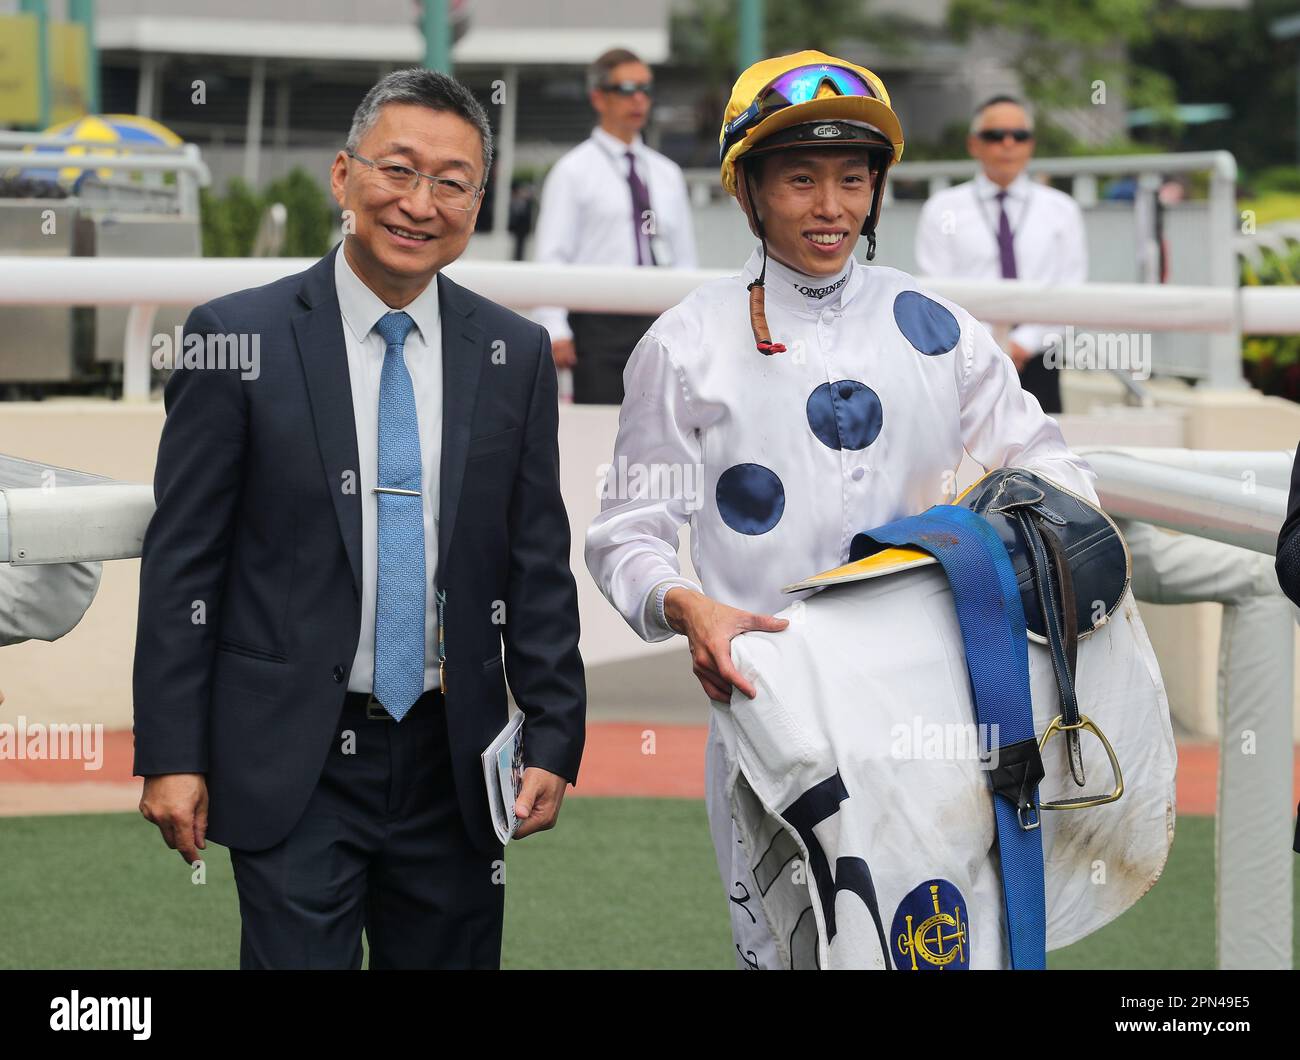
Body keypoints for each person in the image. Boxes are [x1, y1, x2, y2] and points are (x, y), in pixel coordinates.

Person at [585, 50, 1100, 968]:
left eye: (853, 179)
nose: (831, 206)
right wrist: (684, 606)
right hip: (772, 710)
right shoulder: (683, 345)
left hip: (936, 708)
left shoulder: (939, 326)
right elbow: (629, 532)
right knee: (791, 954)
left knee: (945, 949)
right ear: (746, 189)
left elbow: (1048, 466)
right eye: (800, 179)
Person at [132, 68, 586, 970]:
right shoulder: (236, 339)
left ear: (478, 202)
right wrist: (172, 752)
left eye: (451, 181)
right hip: (290, 756)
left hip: (456, 763)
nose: (421, 203)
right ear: (343, 177)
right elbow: (184, 565)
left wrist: (554, 732)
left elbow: (535, 561)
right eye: (398, 170)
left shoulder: (514, 354)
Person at [532, 47, 697, 404]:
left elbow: (685, 257)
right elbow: (552, 254)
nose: (638, 99)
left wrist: (691, 323)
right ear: (598, 97)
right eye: (626, 88)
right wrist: (555, 327)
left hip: (659, 319)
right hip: (598, 322)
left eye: (646, 89)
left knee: (661, 430)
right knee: (601, 430)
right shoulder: (573, 171)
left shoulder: (666, 173)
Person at [914, 95, 1087, 414]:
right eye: (995, 136)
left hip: (1039, 358)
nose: (1008, 144)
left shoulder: (1062, 210)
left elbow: (1071, 289)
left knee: (1043, 456)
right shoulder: (942, 209)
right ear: (973, 144)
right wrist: (989, 346)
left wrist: (1023, 343)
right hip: (965, 358)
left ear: (1031, 144)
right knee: (964, 458)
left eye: (1019, 136)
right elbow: (935, 293)